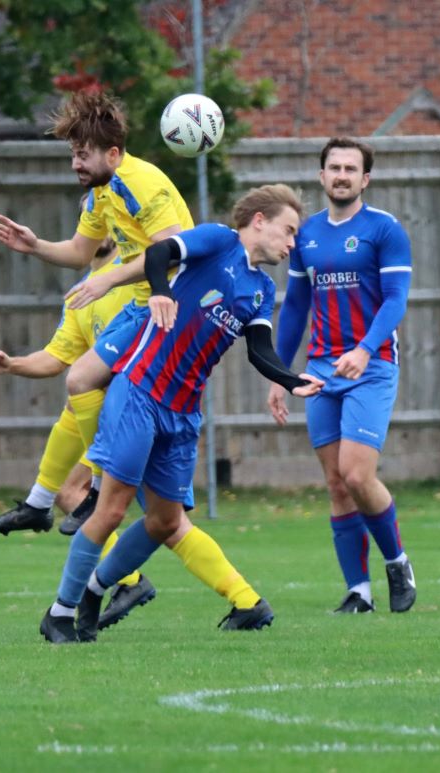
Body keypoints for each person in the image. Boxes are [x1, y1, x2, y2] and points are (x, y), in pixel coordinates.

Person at [42, 184, 325, 644]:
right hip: (139, 393)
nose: (293, 243)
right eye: (289, 230)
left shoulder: (260, 288)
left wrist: (293, 381)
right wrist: (160, 291)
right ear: (259, 221)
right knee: (111, 509)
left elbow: (260, 350)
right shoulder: (218, 240)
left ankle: (94, 591)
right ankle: (59, 613)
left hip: (183, 414)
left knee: (165, 522)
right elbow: (159, 253)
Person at [0, 90, 192, 528]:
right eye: (73, 155)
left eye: (83, 155)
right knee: (81, 381)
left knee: (92, 386)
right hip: (143, 305)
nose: (75, 164)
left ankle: (97, 487)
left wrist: (109, 278)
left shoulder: (141, 182)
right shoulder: (104, 193)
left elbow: (172, 250)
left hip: (174, 308)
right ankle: (82, 491)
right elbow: (81, 252)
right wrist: (35, 245)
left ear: (113, 154)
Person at [267, 137, 417, 615]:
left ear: (365, 179)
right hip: (320, 371)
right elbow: (295, 307)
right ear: (322, 176)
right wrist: (279, 374)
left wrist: (365, 349)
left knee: (356, 473)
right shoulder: (307, 234)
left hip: (372, 367)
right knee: (335, 483)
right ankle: (359, 592)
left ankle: (397, 562)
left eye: (351, 169)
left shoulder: (384, 229)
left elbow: (395, 299)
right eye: (335, 167)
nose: (342, 176)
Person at [0, 235, 157, 630]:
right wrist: (13, 364)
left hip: (131, 410)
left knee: (159, 518)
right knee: (153, 516)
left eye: (104, 216)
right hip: (99, 411)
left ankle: (128, 580)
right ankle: (239, 599)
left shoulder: (135, 275)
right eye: (90, 218)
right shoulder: (82, 293)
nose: (98, 226)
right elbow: (57, 357)